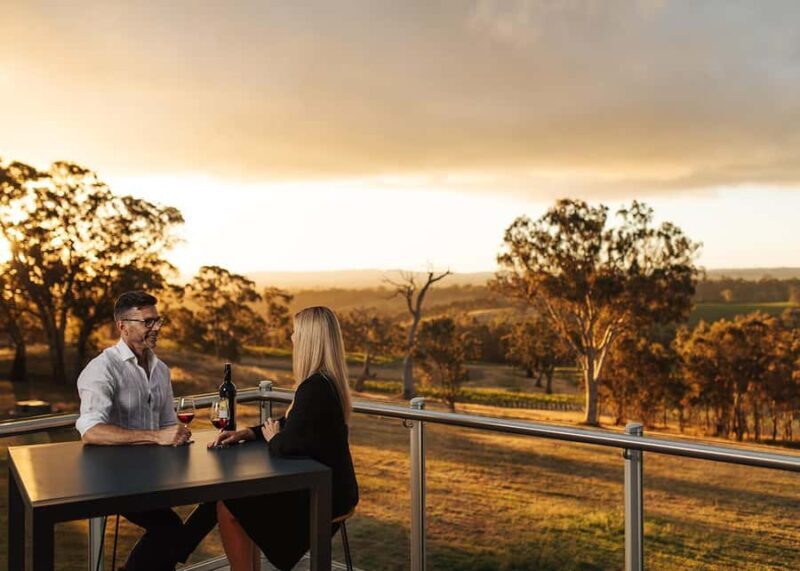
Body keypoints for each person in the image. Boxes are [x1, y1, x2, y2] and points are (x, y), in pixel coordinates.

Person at [209, 305, 359, 571]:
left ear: (309, 340)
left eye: (295, 332)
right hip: (333, 488)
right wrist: (251, 432)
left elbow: (285, 445)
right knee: (237, 501)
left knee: (228, 505)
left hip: (323, 495)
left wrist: (273, 439)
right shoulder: (325, 382)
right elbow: (291, 424)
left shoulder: (314, 388)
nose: (291, 338)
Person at [76, 290, 217, 571]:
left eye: (158, 320)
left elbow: (167, 423)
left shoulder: (161, 369)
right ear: (123, 326)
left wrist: (176, 433)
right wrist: (156, 436)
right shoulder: (101, 369)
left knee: (219, 499)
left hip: (156, 474)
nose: (156, 328)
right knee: (169, 529)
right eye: (147, 322)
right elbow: (91, 430)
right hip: (115, 479)